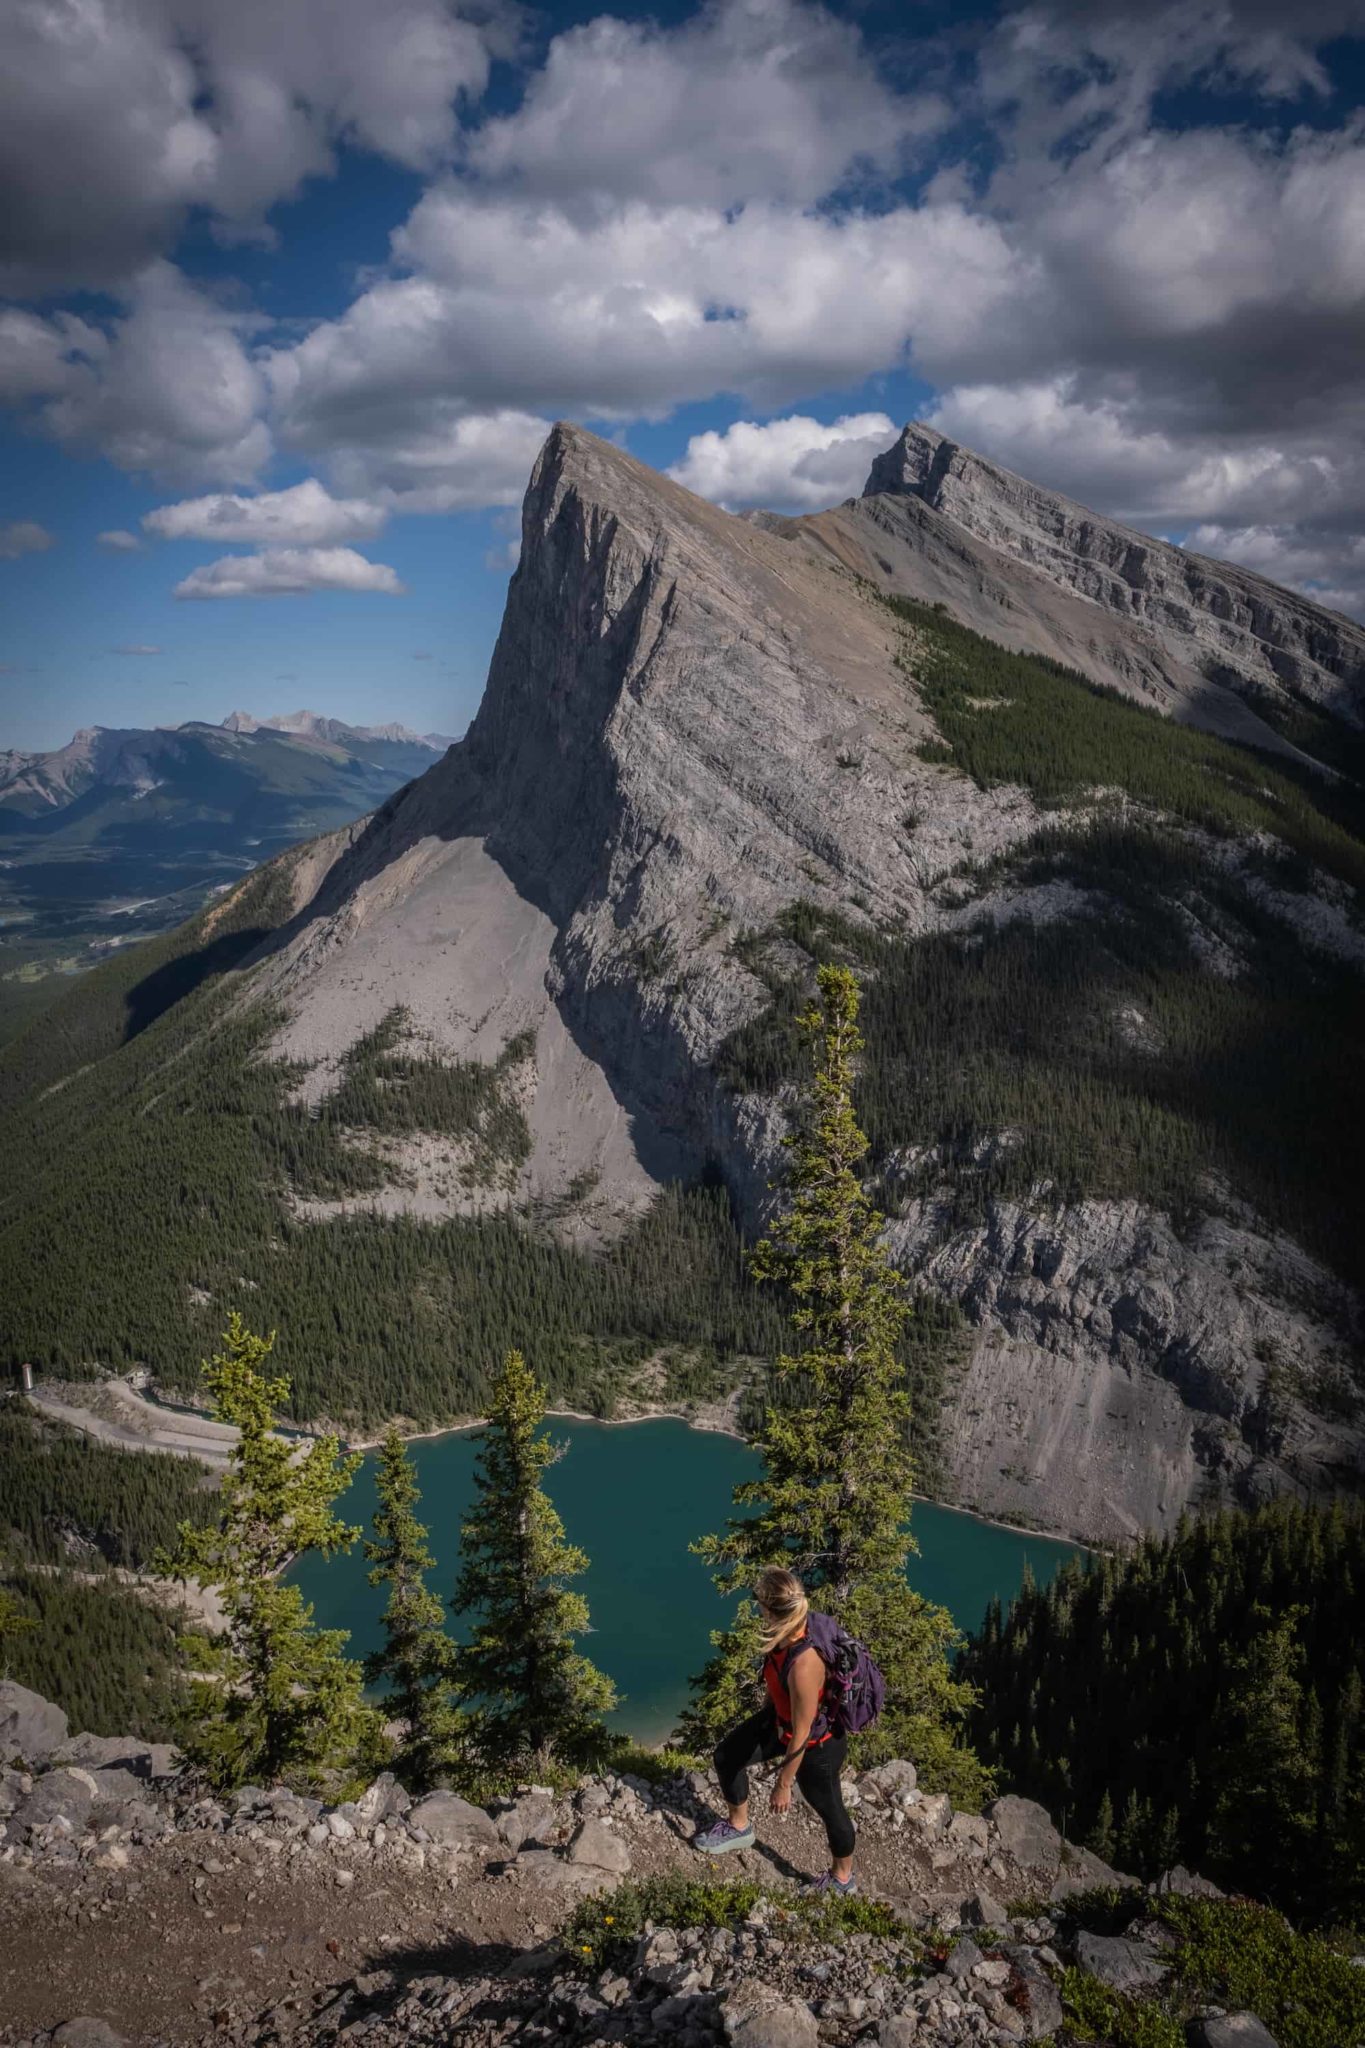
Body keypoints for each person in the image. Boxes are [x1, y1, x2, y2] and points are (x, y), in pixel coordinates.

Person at [694, 1565, 857, 1895]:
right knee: (728, 1756)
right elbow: (776, 1682)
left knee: (828, 1806)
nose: (758, 1607)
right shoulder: (784, 1632)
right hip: (780, 1721)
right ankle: (739, 1827)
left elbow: (804, 1730)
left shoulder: (805, 1664)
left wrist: (783, 1783)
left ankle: (843, 1879)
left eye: (760, 1602)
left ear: (771, 1608)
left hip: (817, 1744)